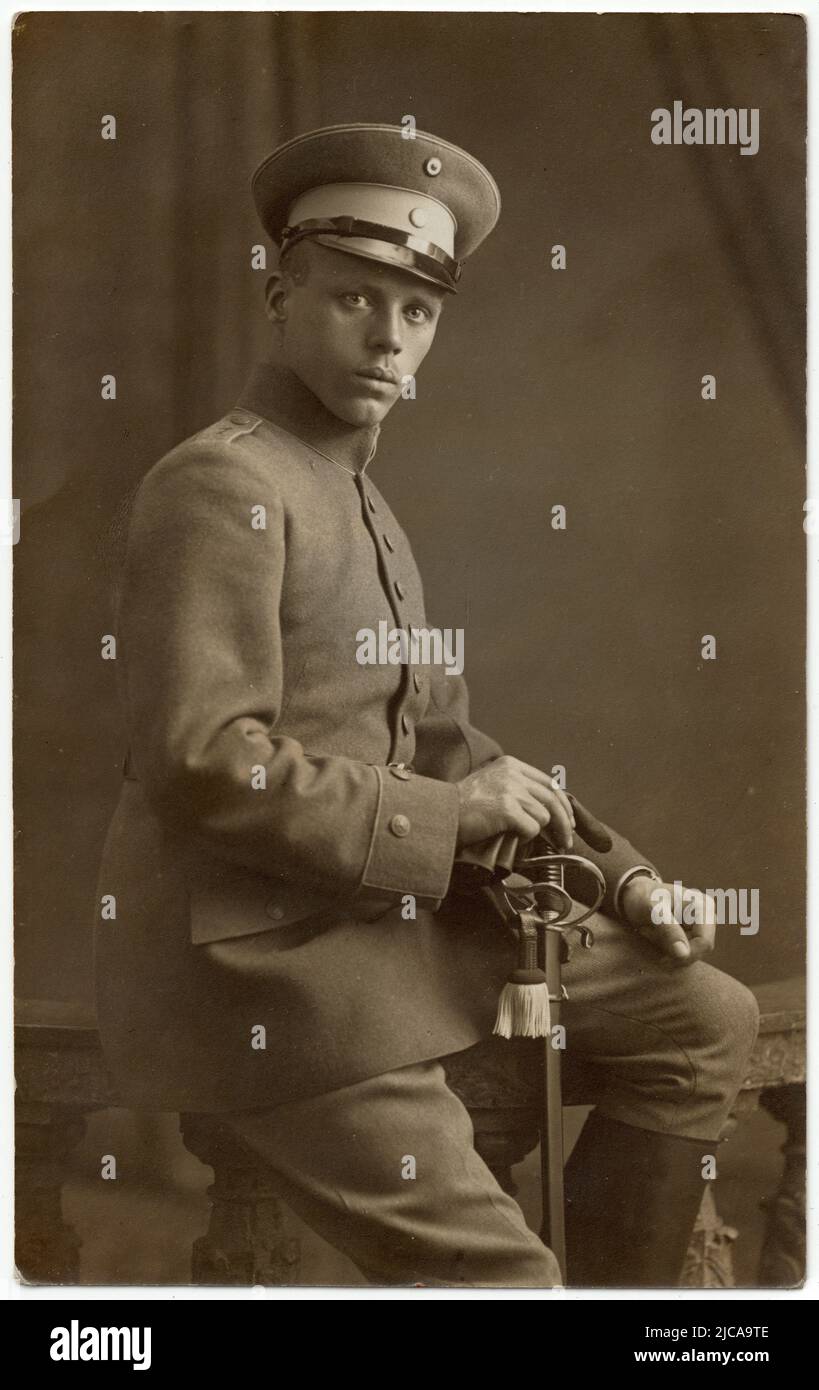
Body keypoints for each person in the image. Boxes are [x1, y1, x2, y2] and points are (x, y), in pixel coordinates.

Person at [94, 123, 759, 1288]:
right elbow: (201, 760)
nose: (388, 336)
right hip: (271, 967)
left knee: (707, 1016)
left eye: (418, 311)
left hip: (385, 922)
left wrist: (625, 876)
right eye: (354, 297)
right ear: (280, 295)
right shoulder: (222, 483)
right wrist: (449, 826)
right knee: (505, 1285)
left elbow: (449, 741)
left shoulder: (358, 497)